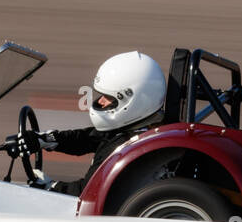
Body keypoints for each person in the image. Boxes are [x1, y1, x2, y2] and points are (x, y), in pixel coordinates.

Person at [9, 51, 167, 196]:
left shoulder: (124, 148)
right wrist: (46, 139)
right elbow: (90, 138)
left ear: (133, 100)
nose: (101, 101)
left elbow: (87, 193)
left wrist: (49, 188)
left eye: (109, 98)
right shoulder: (141, 129)